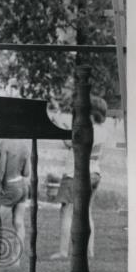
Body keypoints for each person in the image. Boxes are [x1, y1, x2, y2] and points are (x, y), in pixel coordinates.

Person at [50, 93, 108, 261]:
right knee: (87, 212)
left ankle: (62, 251)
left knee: (66, 212)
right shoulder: (103, 132)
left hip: (76, 175)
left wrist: (58, 124)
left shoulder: (84, 130)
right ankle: (90, 252)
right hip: (95, 173)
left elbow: (69, 143)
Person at [0, 139, 31, 260]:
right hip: (22, 186)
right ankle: (16, 258)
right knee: (19, 223)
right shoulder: (25, 145)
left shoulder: (4, 143)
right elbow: (26, 172)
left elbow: (1, 170)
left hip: (9, 187)